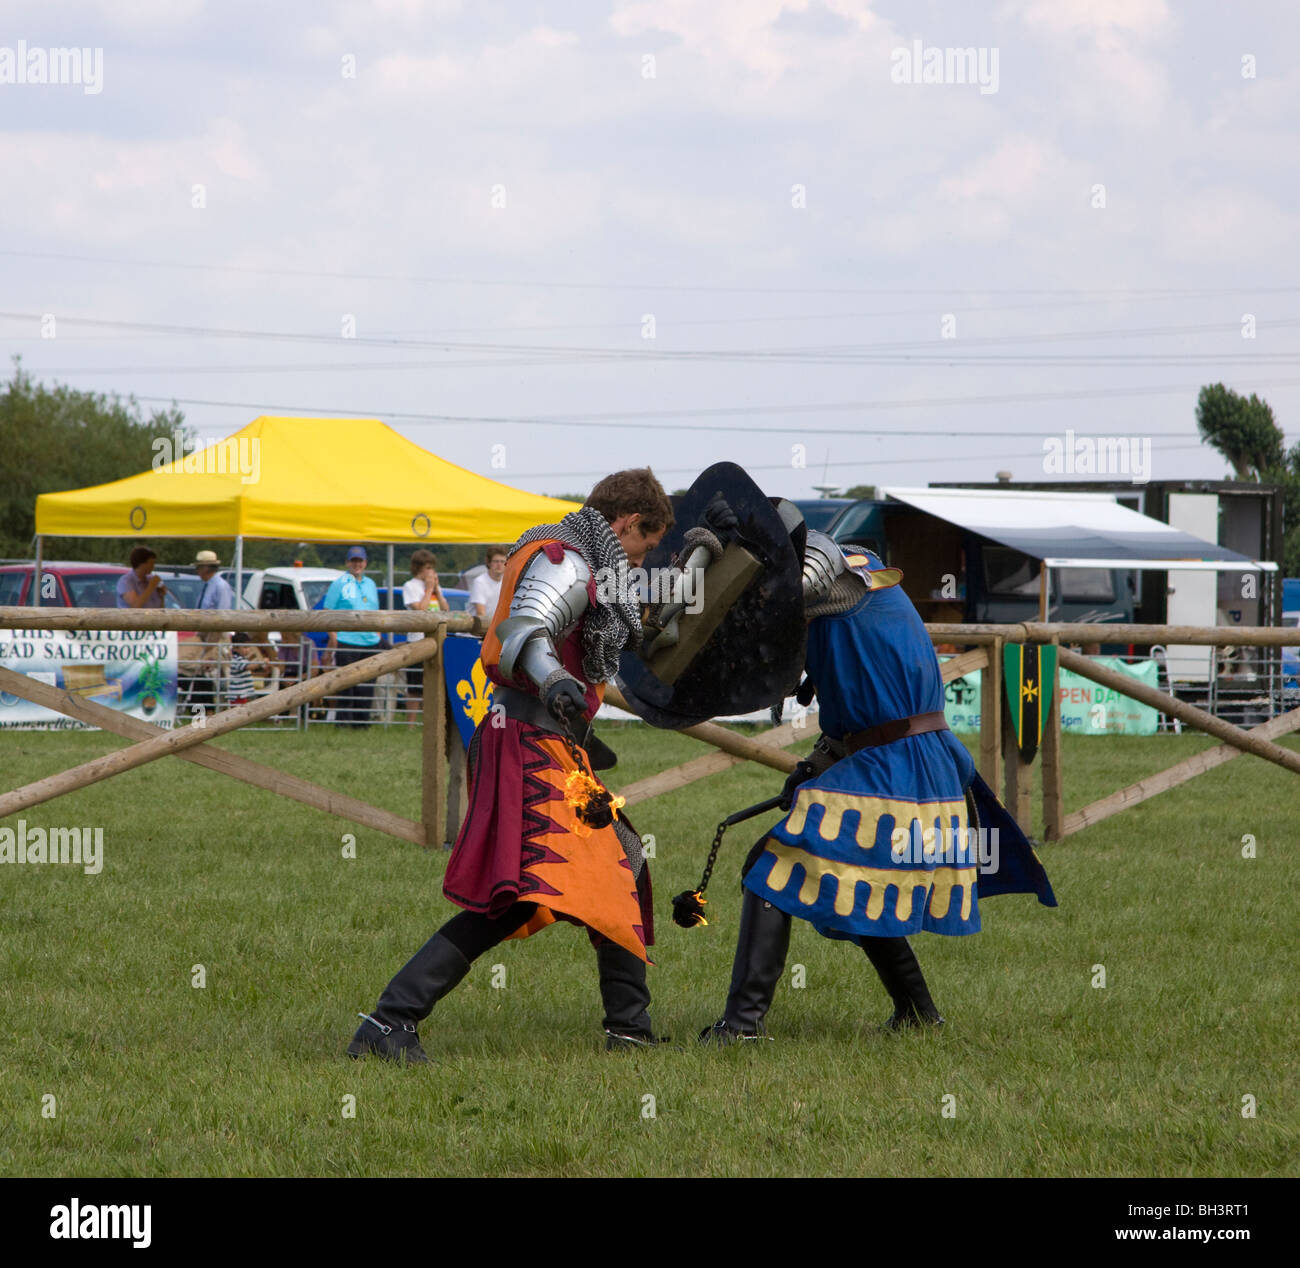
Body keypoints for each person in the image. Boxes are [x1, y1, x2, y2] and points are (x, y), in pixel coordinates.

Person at [348, 468, 675, 1064]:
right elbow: (524, 629)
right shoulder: (565, 556)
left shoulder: (591, 561)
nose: (642, 557)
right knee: (526, 891)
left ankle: (630, 1028)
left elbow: (620, 630)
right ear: (626, 523)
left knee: (621, 864)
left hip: (550, 738)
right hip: (529, 734)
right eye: (644, 544)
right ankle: (389, 1020)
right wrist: (555, 684)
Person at [700, 529, 1055, 1044]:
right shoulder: (851, 606)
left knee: (771, 866)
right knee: (858, 876)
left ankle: (742, 1025)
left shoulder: (839, 570)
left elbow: (795, 593)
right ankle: (917, 1013)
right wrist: (816, 766)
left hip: (905, 766)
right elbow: (859, 717)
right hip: (905, 760)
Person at [321, 546, 382, 728]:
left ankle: (362, 724)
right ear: (348, 562)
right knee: (347, 684)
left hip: (370, 641)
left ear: (365, 563)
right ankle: (344, 723)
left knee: (367, 685)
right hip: (347, 639)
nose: (357, 564)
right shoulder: (339, 583)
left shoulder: (370, 584)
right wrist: (333, 638)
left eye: (360, 561)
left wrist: (378, 635)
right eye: (354, 560)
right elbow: (327, 612)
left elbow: (376, 612)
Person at [401, 548, 446, 726]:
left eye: (432, 568)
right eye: (427, 568)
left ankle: (432, 722)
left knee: (434, 685)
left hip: (438, 640)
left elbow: (445, 609)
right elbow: (420, 610)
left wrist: (437, 591)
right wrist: (428, 590)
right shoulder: (410, 586)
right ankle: (410, 724)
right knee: (414, 687)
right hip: (417, 640)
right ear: (418, 568)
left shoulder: (435, 587)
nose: (431, 572)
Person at [468, 546, 507, 619]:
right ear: (489, 563)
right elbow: (480, 613)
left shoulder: (506, 583)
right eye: (496, 561)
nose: (499, 564)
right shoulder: (479, 582)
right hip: (478, 628)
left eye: (502, 561)